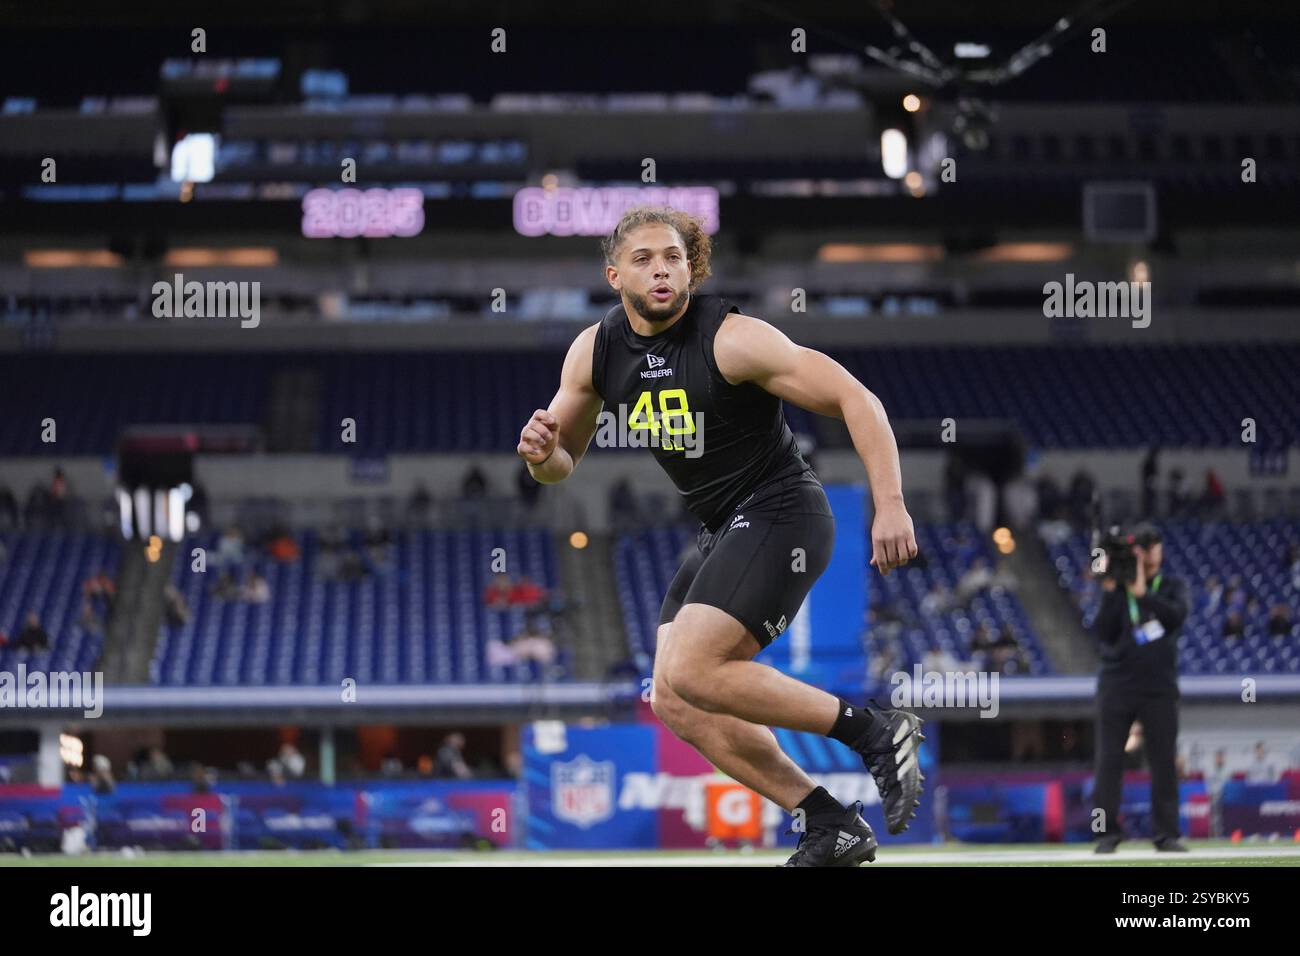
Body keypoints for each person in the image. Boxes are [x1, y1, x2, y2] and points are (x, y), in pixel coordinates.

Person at [515, 205, 923, 867]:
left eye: (673, 257)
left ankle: (876, 732)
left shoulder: (732, 339)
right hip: (720, 525)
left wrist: (892, 505)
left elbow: (856, 397)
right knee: (673, 698)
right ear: (614, 273)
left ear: (690, 269)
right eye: (644, 258)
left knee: (694, 668)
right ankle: (828, 821)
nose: (661, 269)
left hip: (783, 510)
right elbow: (561, 465)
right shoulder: (595, 351)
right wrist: (538, 455)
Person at [1089, 523, 1189, 853]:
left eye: (1151, 547)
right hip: (1117, 683)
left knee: (1163, 760)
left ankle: (1166, 834)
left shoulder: (1172, 585)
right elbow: (1102, 632)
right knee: (1109, 760)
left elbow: (1176, 617)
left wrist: (1144, 594)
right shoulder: (1116, 587)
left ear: (1159, 550)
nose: (1146, 554)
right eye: (1140, 549)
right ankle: (1106, 833)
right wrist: (1110, 587)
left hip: (1159, 684)